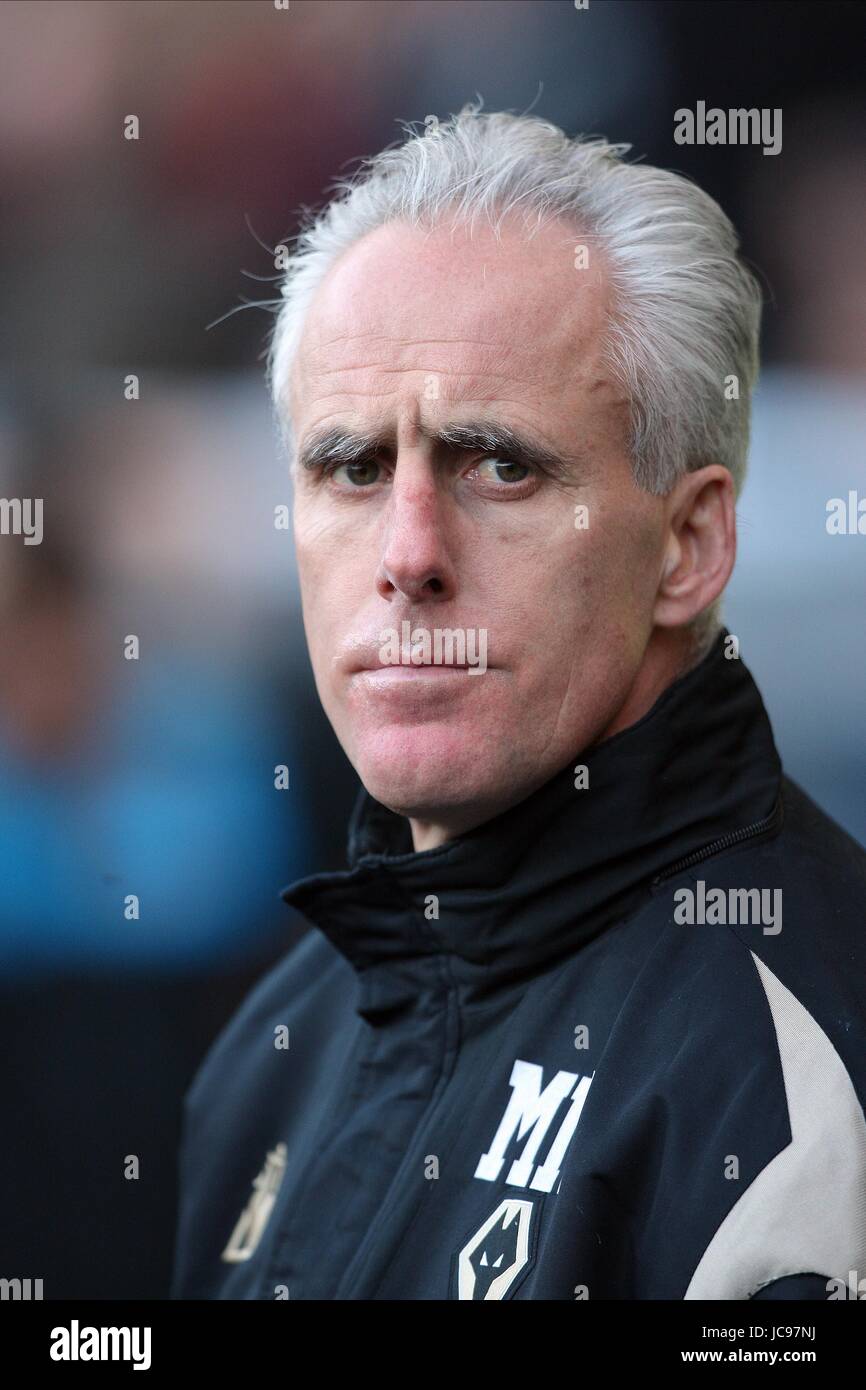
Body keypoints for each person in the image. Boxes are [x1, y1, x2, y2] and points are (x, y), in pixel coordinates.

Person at [170, 105, 866, 1301]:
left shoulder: (802, 1080)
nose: (408, 552)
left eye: (500, 464)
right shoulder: (270, 1052)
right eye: (350, 467)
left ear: (687, 544)